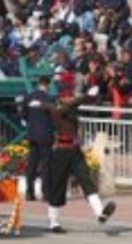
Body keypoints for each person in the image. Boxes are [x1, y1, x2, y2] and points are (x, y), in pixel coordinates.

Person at [42, 74, 116, 233]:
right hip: (61, 152)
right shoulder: (56, 111)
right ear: (60, 98)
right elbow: (70, 105)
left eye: (70, 95)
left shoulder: (69, 110)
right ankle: (53, 222)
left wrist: (94, 94)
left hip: (75, 151)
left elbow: (76, 104)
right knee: (57, 186)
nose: (70, 98)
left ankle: (100, 213)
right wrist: (86, 95)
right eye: (66, 96)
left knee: (86, 179)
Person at [23, 73, 55, 202]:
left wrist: (32, 123)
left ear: (38, 84)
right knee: (46, 165)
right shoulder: (49, 99)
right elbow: (54, 117)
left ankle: (29, 193)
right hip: (46, 134)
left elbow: (24, 115)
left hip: (32, 134)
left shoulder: (29, 97)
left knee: (32, 164)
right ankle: (46, 193)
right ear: (48, 85)